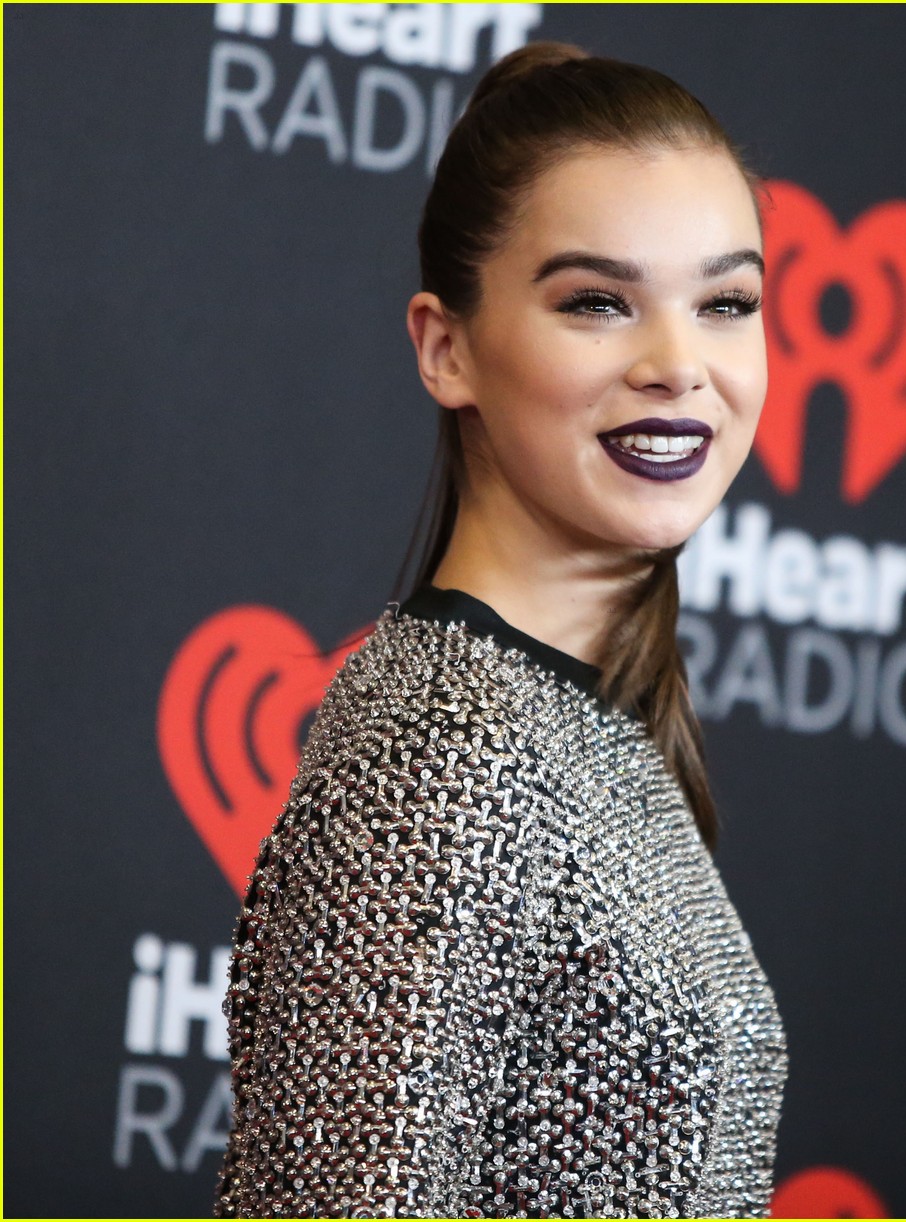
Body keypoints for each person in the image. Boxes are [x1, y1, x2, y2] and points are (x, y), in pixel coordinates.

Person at [216, 41, 787, 1220]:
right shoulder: (439, 753)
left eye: (725, 303)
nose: (680, 366)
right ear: (448, 348)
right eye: (596, 303)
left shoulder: (590, 728)